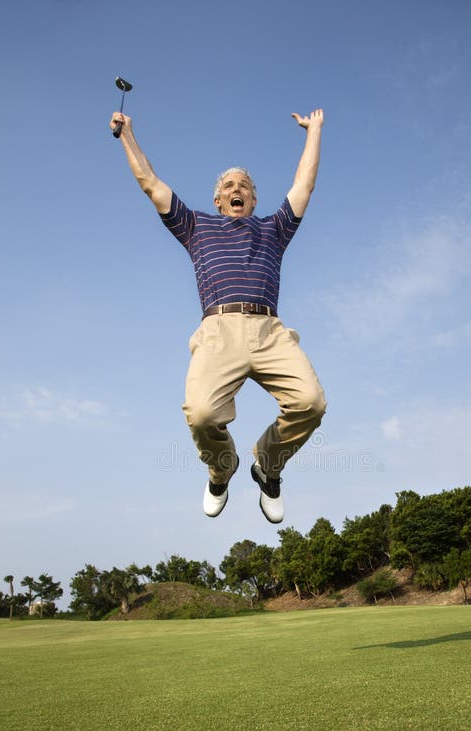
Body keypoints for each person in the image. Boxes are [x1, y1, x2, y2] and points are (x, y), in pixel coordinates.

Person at [109, 106, 327, 523]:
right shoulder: (195, 226)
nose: (236, 187)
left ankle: (268, 464)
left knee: (310, 403)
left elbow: (304, 185)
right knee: (203, 413)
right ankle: (221, 469)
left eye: (244, 184)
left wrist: (313, 132)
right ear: (218, 199)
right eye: (229, 184)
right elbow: (149, 183)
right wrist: (127, 136)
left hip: (268, 331)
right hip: (218, 330)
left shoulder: (273, 230)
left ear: (253, 199)